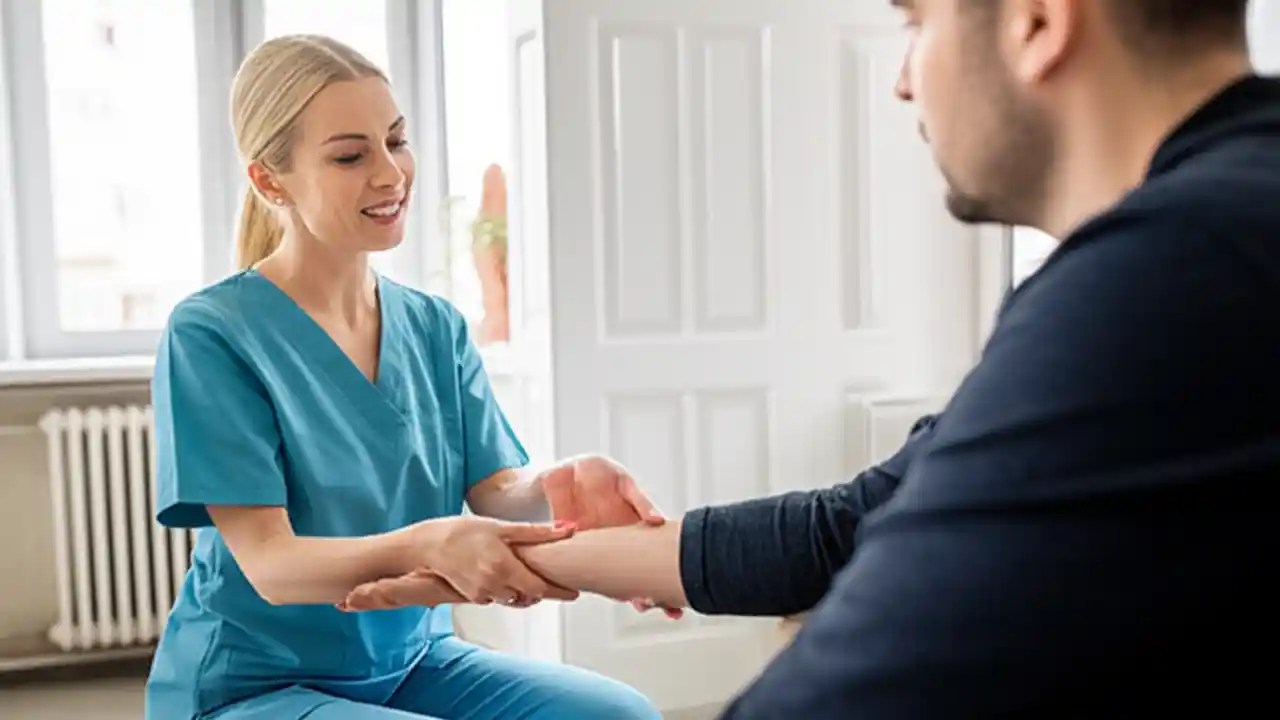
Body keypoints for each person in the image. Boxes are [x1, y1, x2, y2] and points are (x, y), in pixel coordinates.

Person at [343, 0, 1280, 716]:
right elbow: (853, 525)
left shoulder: (1166, 277)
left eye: (916, 22)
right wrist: (551, 558)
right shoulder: (1222, 222)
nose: (903, 79)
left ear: (1039, 20)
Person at [144, 35, 665, 720]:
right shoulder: (213, 333)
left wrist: (564, 485)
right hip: (257, 684)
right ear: (271, 180)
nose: (391, 173)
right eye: (350, 155)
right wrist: (428, 542)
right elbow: (271, 567)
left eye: (396, 140)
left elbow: (498, 494)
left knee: (618, 716)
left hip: (414, 661)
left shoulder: (434, 327)